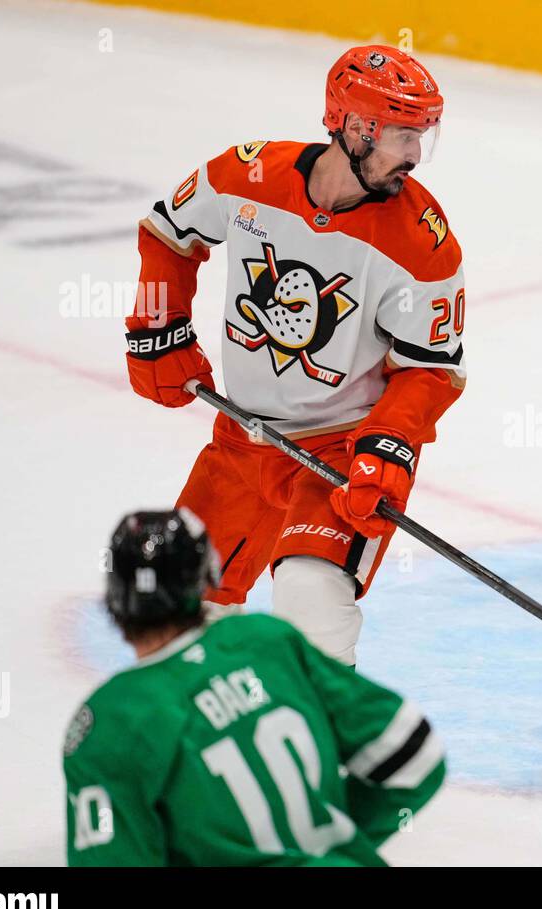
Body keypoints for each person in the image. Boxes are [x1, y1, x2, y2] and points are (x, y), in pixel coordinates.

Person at [122, 45, 464, 665]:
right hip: (239, 440)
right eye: (404, 136)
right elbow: (167, 234)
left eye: (423, 138)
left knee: (311, 600)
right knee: (179, 615)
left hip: (340, 451)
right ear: (356, 127)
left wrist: (388, 444)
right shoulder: (247, 175)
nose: (415, 157)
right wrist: (157, 323)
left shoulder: (423, 243)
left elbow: (432, 370)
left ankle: (332, 753)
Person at [64, 508, 444, 866]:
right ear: (206, 579)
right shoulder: (268, 642)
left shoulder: (111, 721)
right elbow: (416, 753)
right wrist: (328, 839)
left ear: (115, 600)